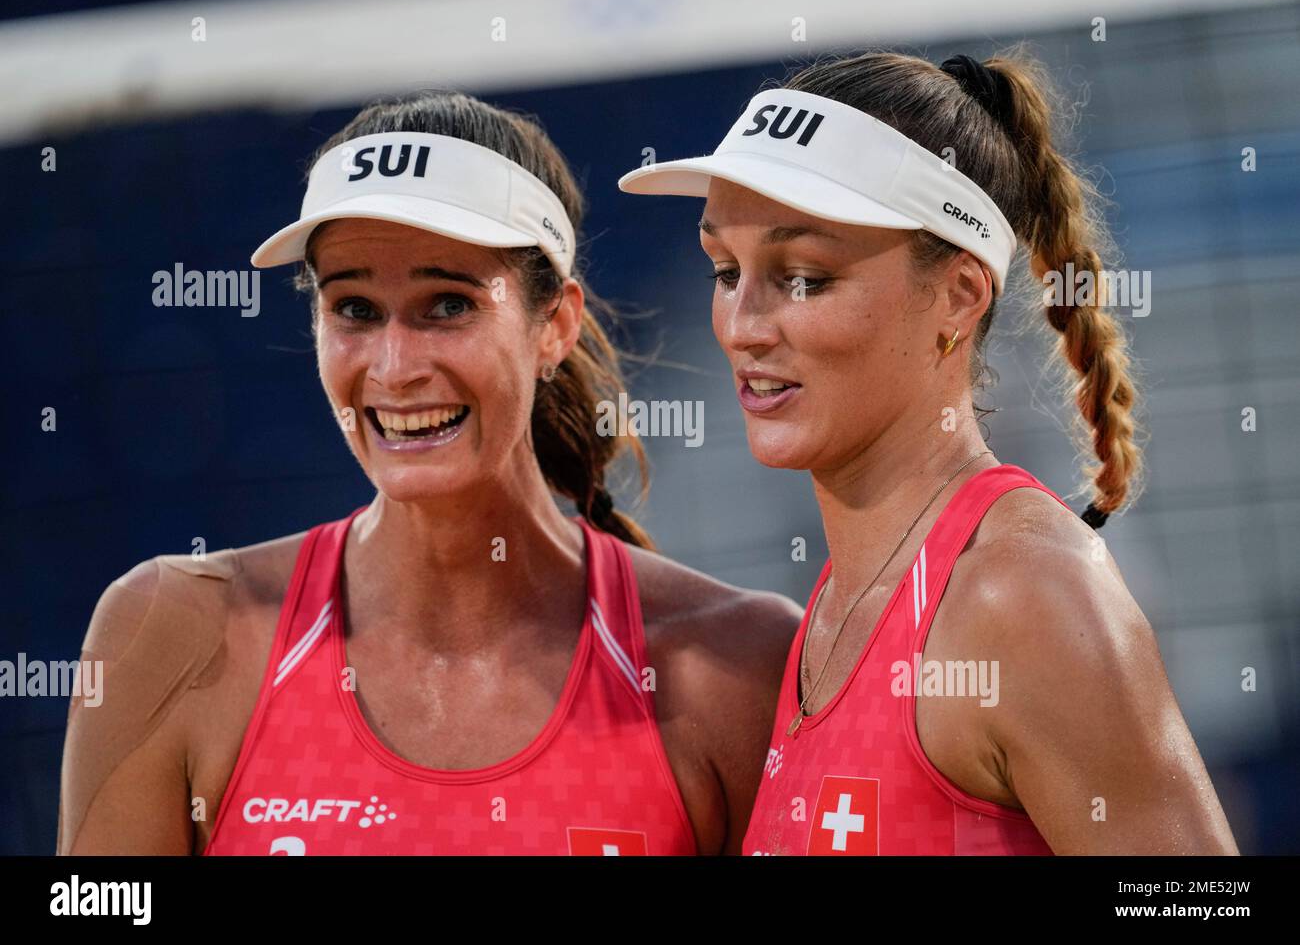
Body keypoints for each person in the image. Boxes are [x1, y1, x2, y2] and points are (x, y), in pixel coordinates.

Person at [58, 90, 801, 856]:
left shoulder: (736, 663)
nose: (396, 366)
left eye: (447, 304)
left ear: (555, 326)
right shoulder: (168, 633)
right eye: (354, 309)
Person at [619, 47, 1239, 854]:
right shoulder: (836, 610)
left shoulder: (1023, 595)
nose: (742, 325)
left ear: (957, 294)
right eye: (725, 269)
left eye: (804, 276)